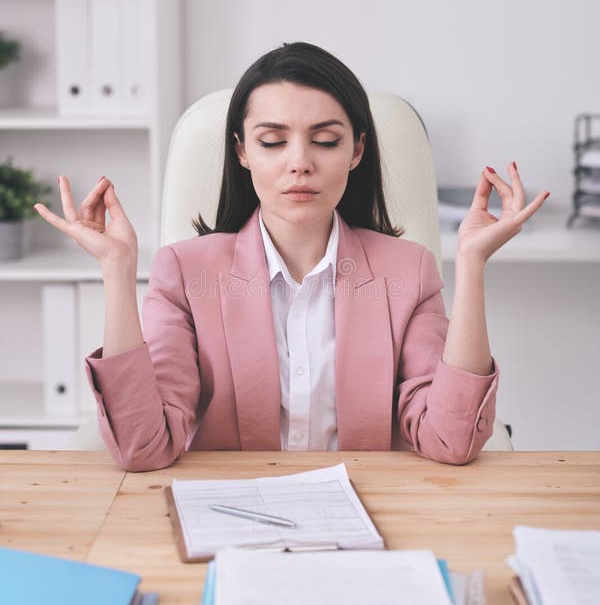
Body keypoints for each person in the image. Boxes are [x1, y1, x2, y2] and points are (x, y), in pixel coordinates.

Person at [34, 42, 549, 471]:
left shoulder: (408, 270)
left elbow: (451, 440)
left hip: (368, 516)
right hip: (232, 516)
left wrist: (473, 263)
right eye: (273, 141)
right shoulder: (185, 272)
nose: (299, 163)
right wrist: (119, 272)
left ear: (356, 151)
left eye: (324, 140)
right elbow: (143, 447)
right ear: (242, 152)